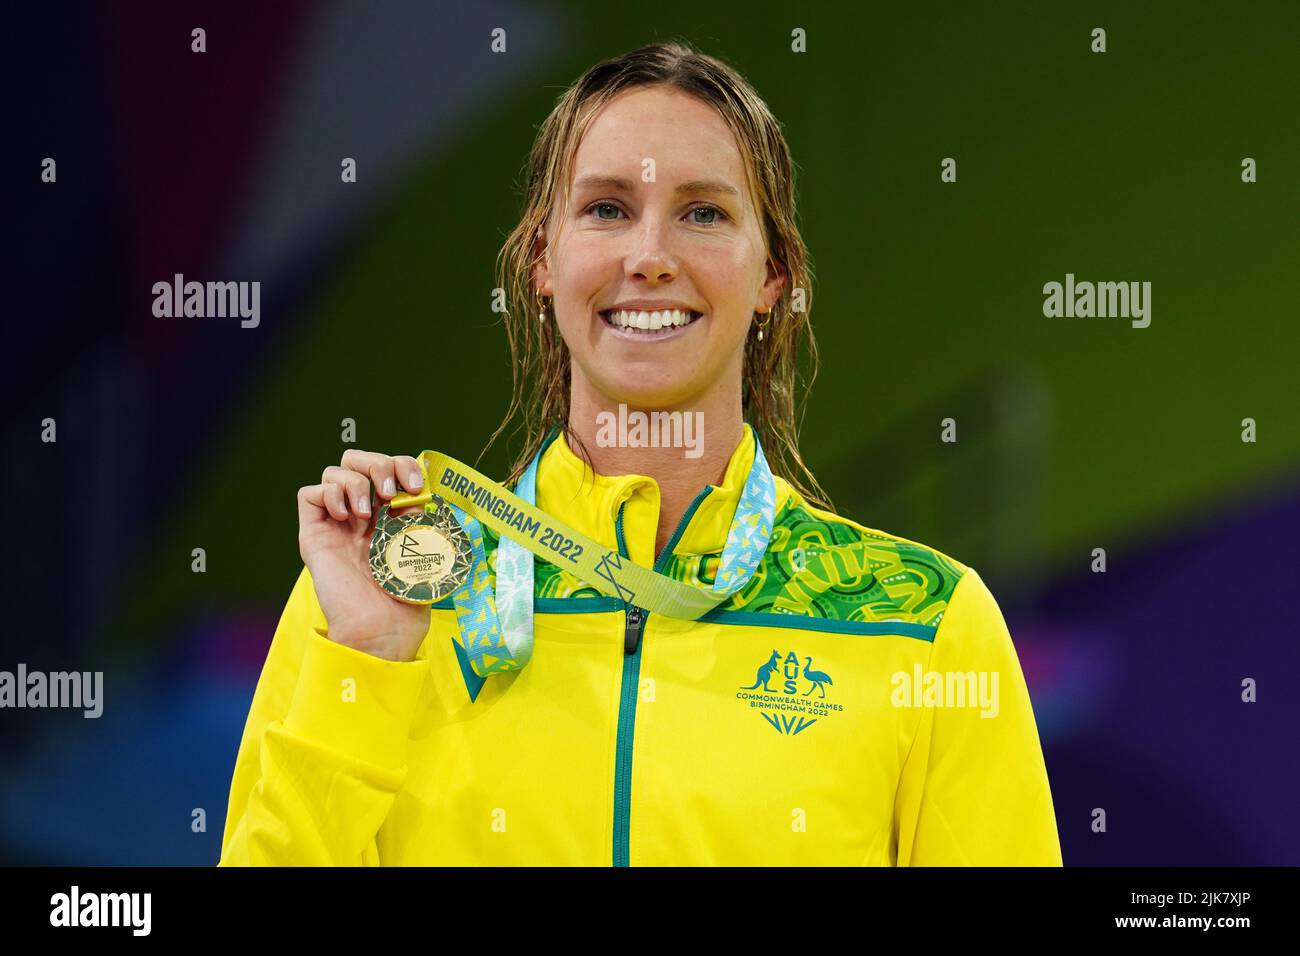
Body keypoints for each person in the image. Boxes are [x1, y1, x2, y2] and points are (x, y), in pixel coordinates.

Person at [218, 40, 1062, 866]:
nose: (650, 258)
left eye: (704, 213)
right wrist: (368, 665)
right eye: (607, 209)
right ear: (543, 261)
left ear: (772, 272)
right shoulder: (382, 592)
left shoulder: (927, 628)